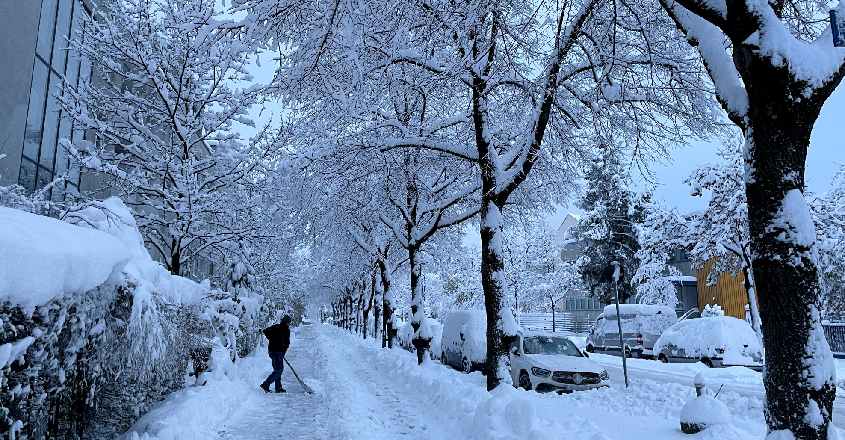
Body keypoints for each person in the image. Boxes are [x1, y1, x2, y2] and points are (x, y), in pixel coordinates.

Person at [260, 315, 292, 393]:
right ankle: (266, 384)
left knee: (277, 369)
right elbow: (287, 343)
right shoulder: (286, 330)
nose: (289, 324)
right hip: (278, 352)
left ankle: (278, 387)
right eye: (289, 322)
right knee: (279, 370)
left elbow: (265, 331)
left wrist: (272, 339)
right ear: (287, 322)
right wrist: (283, 351)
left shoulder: (275, 327)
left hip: (271, 351)